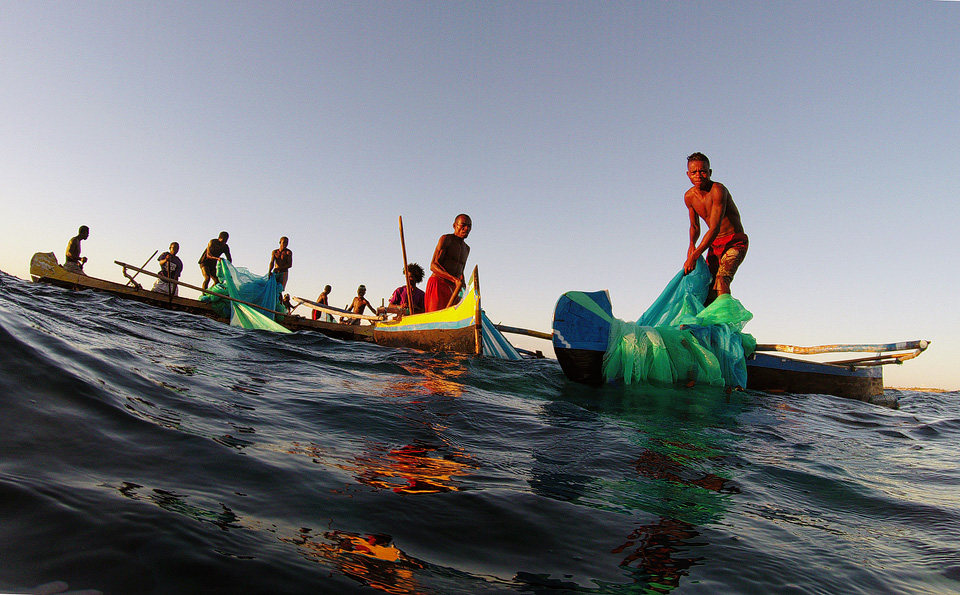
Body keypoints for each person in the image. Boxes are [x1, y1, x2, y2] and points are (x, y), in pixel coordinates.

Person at [682, 152, 747, 306]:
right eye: (694, 172)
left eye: (703, 171)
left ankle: (725, 318)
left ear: (710, 172)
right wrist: (692, 245)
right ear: (688, 175)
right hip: (715, 243)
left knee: (722, 279)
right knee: (708, 287)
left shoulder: (718, 190)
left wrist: (695, 256)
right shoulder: (689, 197)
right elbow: (695, 226)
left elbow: (715, 227)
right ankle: (706, 325)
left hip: (734, 241)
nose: (698, 175)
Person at [424, 214, 471, 312]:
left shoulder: (467, 249)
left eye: (469, 226)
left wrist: (464, 289)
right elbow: (433, 265)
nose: (466, 228)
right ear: (455, 226)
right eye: (463, 225)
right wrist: (454, 279)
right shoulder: (446, 239)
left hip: (454, 288)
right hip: (438, 284)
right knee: (435, 319)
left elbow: (461, 271)